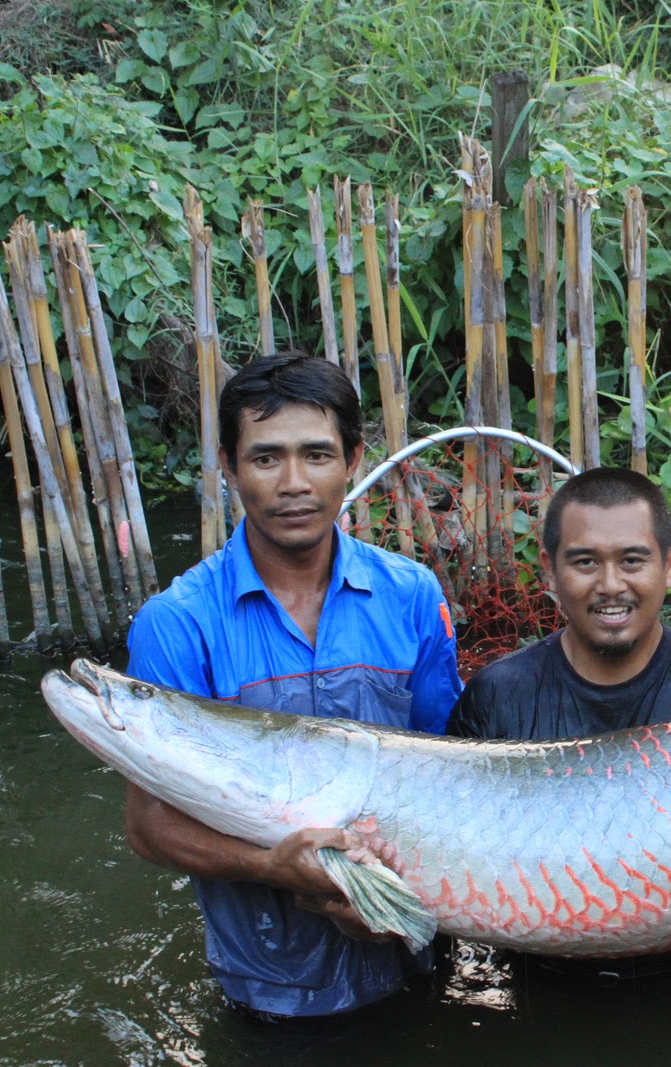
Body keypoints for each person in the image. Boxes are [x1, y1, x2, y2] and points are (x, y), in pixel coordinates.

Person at [123, 352, 463, 1018]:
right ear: (227, 465)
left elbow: (446, 771)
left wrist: (388, 896)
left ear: (353, 458)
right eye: (265, 457)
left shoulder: (411, 595)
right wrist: (274, 866)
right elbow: (149, 824)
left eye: (316, 454)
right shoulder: (176, 624)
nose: (293, 483)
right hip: (272, 985)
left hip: (411, 954)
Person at [446, 466, 671, 979]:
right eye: (585, 562)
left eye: (633, 560)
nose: (611, 585)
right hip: (542, 983)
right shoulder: (497, 696)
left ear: (670, 564)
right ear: (549, 570)